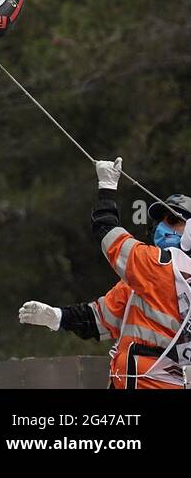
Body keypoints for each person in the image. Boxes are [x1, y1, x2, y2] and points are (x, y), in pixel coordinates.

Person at [18, 160, 191, 388]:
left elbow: (108, 233)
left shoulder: (157, 266)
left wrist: (107, 189)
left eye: (173, 220)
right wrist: (58, 317)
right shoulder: (144, 277)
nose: (161, 227)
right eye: (160, 221)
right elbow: (100, 319)